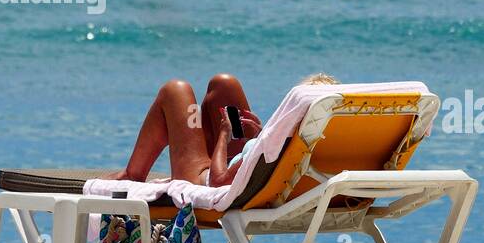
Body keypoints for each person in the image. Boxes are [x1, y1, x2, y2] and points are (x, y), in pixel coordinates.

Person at [107, 73, 338, 187]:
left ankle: (134, 174)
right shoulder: (335, 148)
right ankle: (191, 132)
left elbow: (218, 181)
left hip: (204, 178)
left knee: (176, 91)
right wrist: (260, 139)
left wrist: (224, 138)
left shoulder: (281, 146)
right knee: (224, 85)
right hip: (249, 174)